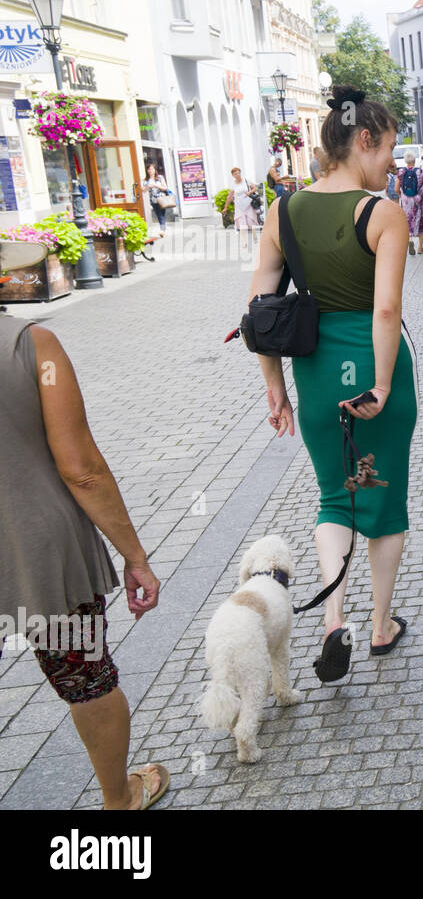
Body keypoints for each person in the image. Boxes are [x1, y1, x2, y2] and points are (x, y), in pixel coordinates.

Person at [247, 84, 416, 684]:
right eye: (389, 148)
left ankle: (332, 620)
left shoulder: (281, 212)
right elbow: (386, 312)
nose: (393, 163)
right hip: (371, 369)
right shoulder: (382, 213)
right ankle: (380, 625)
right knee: (381, 496)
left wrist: (276, 386)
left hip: (316, 374)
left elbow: (261, 308)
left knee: (334, 496)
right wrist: (384, 386)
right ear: (363, 140)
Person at [0, 311, 167, 809]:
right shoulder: (32, 345)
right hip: (38, 550)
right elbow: (82, 470)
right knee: (84, 676)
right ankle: (120, 800)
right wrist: (134, 556)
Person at [397, 151, 423, 255]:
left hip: (406, 201)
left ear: (405, 161)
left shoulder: (401, 172)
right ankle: (420, 248)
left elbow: (395, 188)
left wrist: (401, 196)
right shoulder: (420, 172)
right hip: (419, 200)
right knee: (422, 221)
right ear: (415, 160)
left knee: (407, 221)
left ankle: (410, 240)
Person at [230, 167, 259, 252]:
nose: (237, 175)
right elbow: (230, 195)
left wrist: (249, 192)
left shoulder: (246, 180)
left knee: (250, 221)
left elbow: (255, 188)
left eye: (238, 173)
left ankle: (255, 237)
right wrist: (225, 207)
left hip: (248, 203)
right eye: (235, 173)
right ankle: (244, 242)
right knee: (242, 223)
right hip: (239, 205)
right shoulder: (232, 184)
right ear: (233, 175)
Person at [143, 163, 172, 235]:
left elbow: (165, 187)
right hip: (153, 200)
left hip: (161, 198)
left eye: (152, 169)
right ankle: (163, 229)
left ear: (155, 170)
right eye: (149, 169)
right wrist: (148, 187)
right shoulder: (146, 180)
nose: (150, 171)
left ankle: (162, 230)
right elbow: (143, 190)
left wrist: (155, 185)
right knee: (159, 214)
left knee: (161, 214)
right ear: (147, 170)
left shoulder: (160, 177)